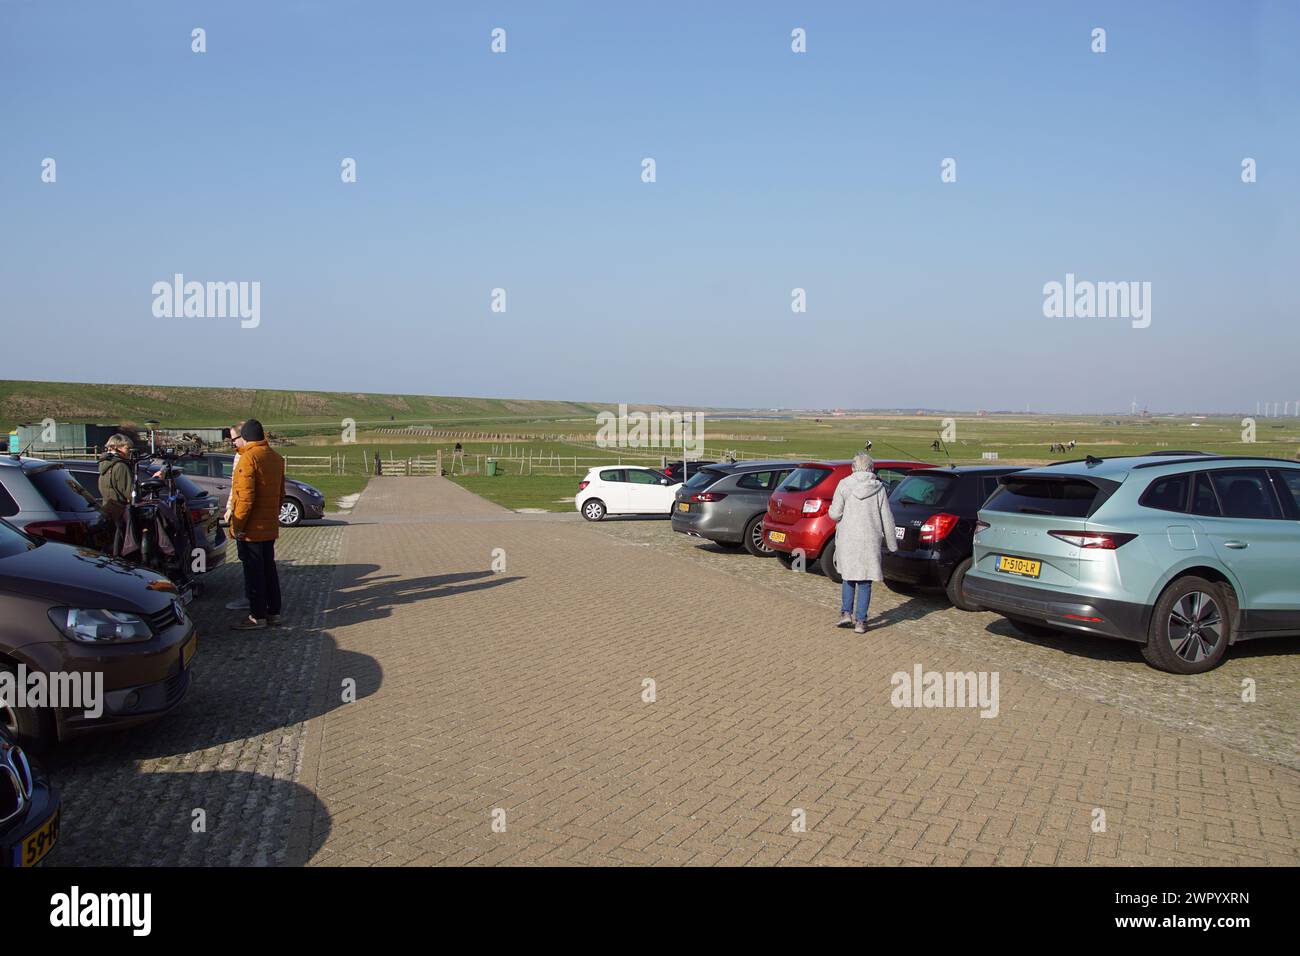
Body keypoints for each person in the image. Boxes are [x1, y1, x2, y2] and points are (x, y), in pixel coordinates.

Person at [827, 453, 898, 634]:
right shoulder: (879, 488)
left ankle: (845, 613)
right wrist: (892, 544)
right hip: (869, 541)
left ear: (853, 467)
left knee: (848, 577)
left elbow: (834, 514)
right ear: (871, 468)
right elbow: (887, 518)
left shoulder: (844, 485)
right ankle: (860, 622)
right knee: (865, 581)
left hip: (848, 539)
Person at [227, 419, 286, 630]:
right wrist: (272, 515)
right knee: (269, 570)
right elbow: (281, 494)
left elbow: (245, 498)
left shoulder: (248, 459)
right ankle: (274, 612)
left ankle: (257, 616)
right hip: (269, 525)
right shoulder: (276, 458)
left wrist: (237, 526)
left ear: (246, 437)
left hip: (251, 528)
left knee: (254, 573)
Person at [224, 422, 250, 612]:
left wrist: (235, 515)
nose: (233, 443)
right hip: (242, 514)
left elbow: (242, 491)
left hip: (246, 520)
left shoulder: (246, 457)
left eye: (234, 439)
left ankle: (252, 598)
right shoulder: (240, 455)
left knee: (250, 560)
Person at [98, 434, 136, 544]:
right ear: (116, 447)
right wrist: (156, 479)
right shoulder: (120, 466)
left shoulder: (105, 464)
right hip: (120, 513)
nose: (130, 451)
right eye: (127, 448)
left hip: (108, 510)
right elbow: (130, 493)